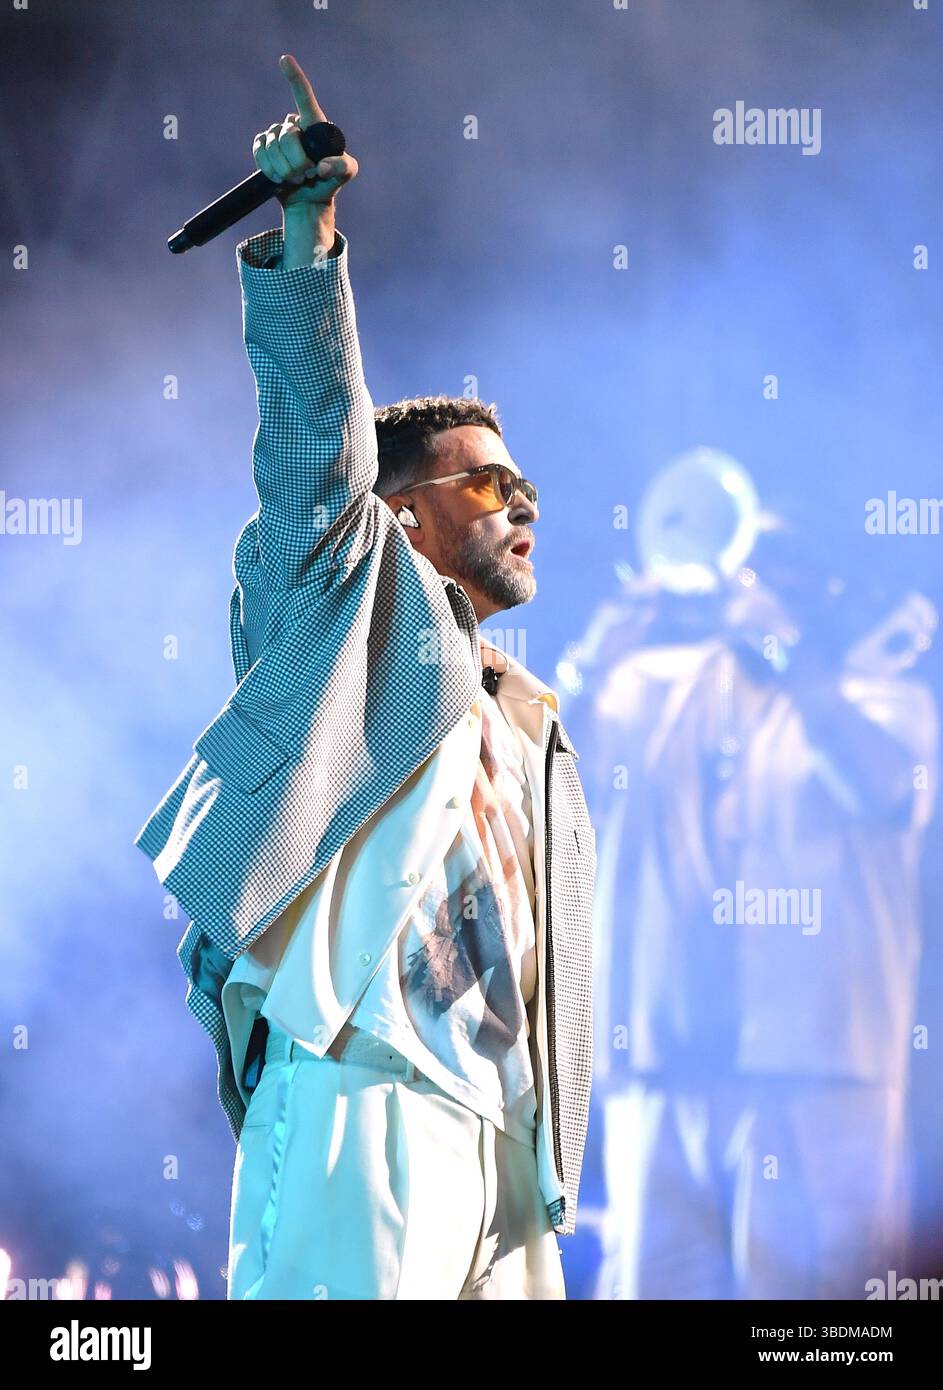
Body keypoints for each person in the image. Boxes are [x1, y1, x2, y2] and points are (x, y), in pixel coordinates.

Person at [133, 54, 596, 1301]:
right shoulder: (344, 610)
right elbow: (309, 461)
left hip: (504, 1135)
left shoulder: (529, 716)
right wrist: (306, 231)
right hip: (364, 1075)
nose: (523, 508)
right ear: (399, 515)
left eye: (530, 491)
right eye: (491, 485)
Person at [568, 492, 938, 1300]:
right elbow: (552, 749)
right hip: (663, 1062)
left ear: (818, 589)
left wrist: (790, 653)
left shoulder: (885, 701)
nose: (746, 589)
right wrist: (603, 643)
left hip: (821, 1067)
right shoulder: (657, 688)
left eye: (772, 573)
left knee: (817, 1311)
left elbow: (881, 788)